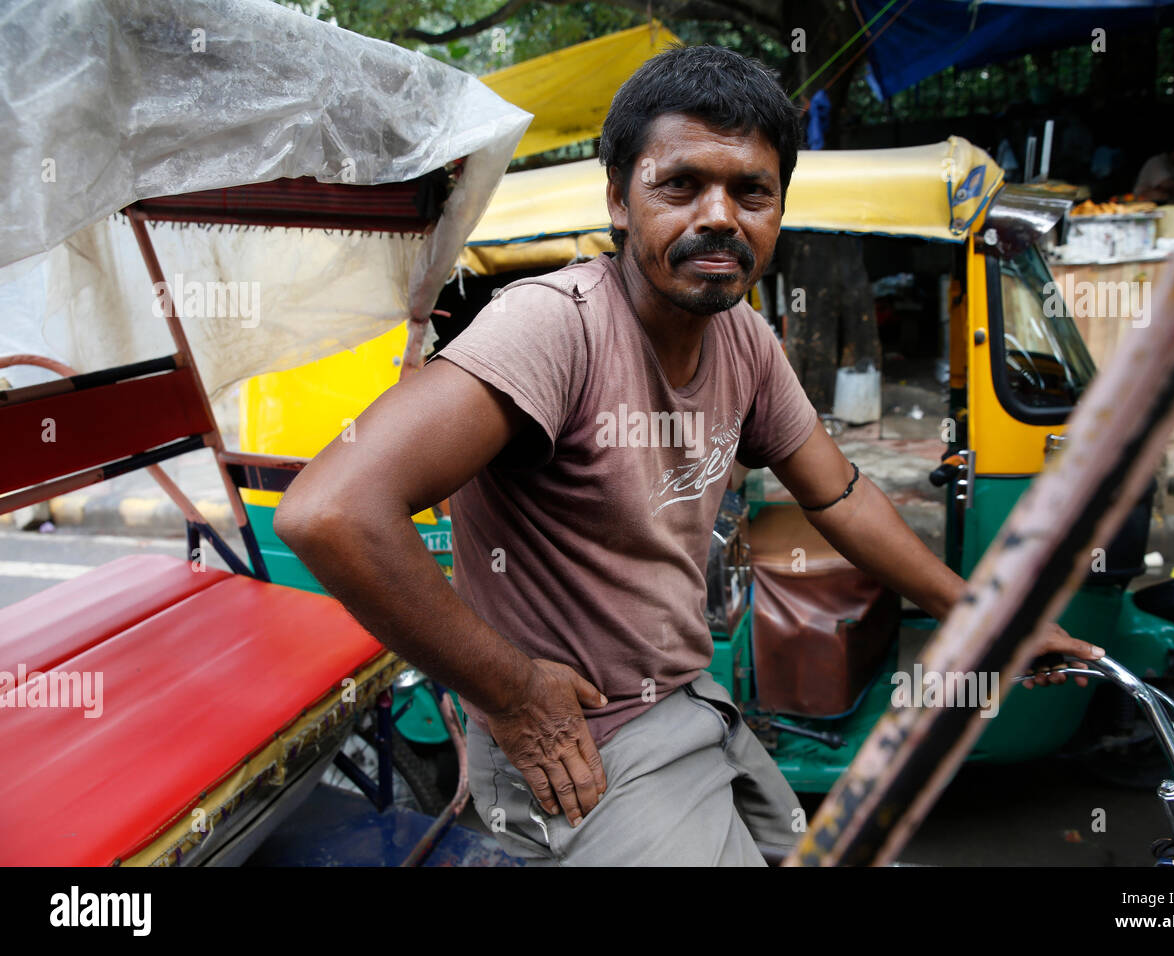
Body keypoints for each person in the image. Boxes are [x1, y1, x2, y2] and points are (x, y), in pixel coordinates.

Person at [274, 44, 1101, 867]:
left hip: (692, 700)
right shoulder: (556, 326)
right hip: (583, 745)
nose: (719, 216)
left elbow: (840, 494)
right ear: (620, 201)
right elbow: (332, 512)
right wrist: (516, 695)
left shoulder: (743, 337)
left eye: (752, 192)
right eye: (681, 184)